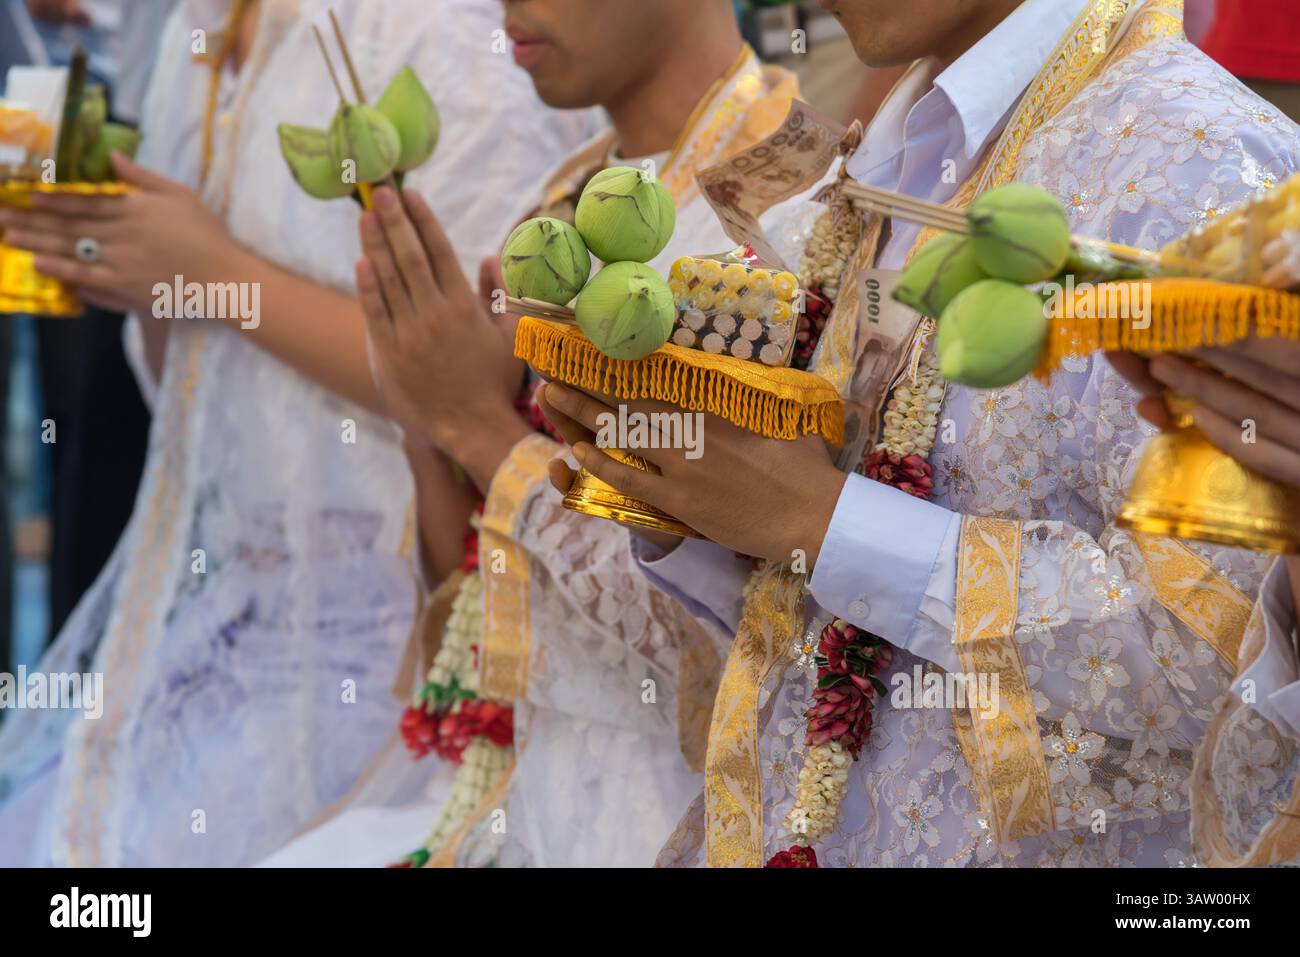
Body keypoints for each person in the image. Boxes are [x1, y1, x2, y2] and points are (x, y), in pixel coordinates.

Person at [540, 0, 1300, 866]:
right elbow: (803, 642)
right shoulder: (878, 164)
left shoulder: (1201, 164)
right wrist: (695, 495)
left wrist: (821, 520)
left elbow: (1221, 654)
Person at [0, 0, 599, 867]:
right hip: (226, 607)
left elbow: (483, 383)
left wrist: (211, 272)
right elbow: (191, 396)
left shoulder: (431, 32)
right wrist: (132, 261)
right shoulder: (199, 38)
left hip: (390, 623)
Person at [264, 0, 798, 868]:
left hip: (675, 815)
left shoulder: (787, 211)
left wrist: (477, 426)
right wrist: (424, 414)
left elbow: (742, 645)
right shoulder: (553, 201)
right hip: (518, 798)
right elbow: (466, 599)